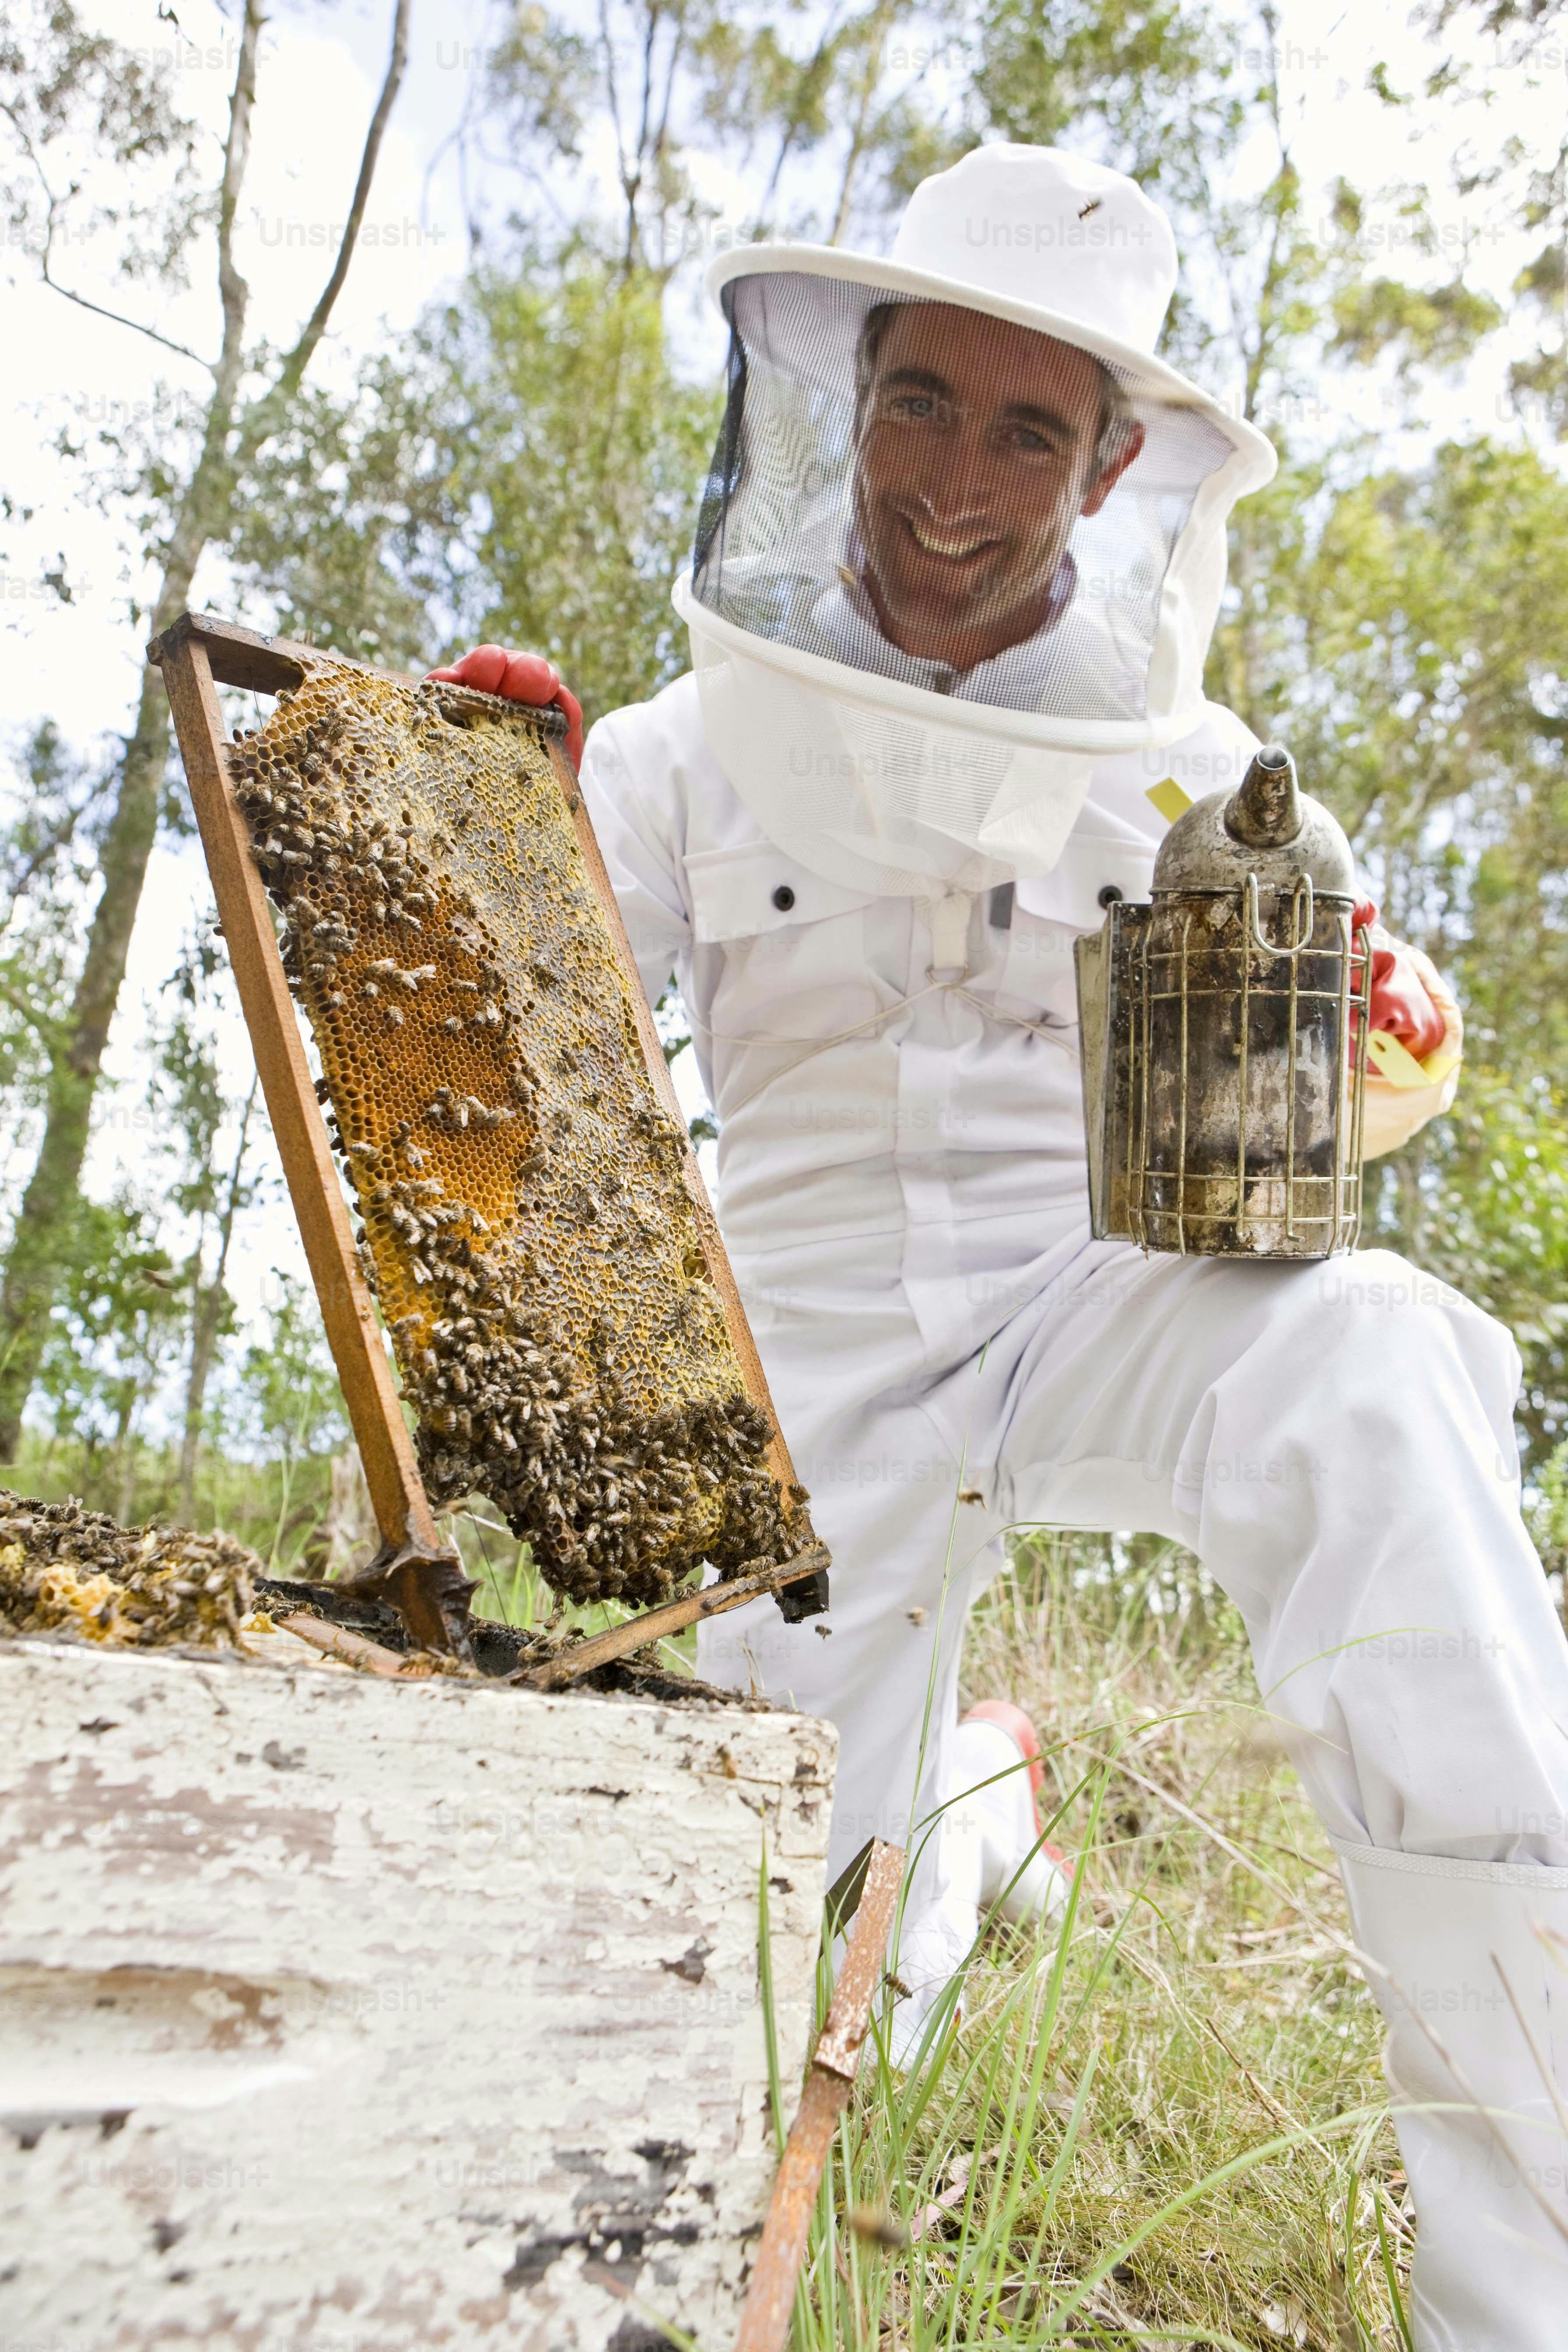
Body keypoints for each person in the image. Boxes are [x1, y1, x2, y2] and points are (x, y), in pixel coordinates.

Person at [431, 144, 1568, 2352]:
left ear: (1114, 462)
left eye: (1025, 430)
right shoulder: (677, 754)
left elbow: (1262, 1177)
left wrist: (1346, 1014)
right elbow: (526, 1060)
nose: (952, 483)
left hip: (1098, 1297)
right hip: (794, 1359)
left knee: (1379, 1363)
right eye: (920, 404)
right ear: (842, 399)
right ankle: (958, 1804)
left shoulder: (1203, 774)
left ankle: (1534, 2287)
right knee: (777, 1948)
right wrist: (500, 846)